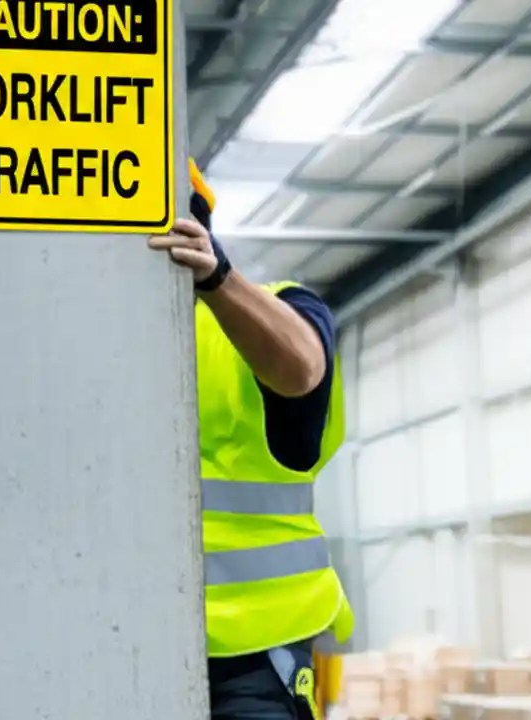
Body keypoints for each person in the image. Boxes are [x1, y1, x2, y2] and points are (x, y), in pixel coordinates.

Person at [147, 159, 354, 720]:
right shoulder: (103, 337)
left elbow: (302, 367)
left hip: (255, 658)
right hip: (131, 639)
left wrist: (217, 279)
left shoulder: (271, 308)